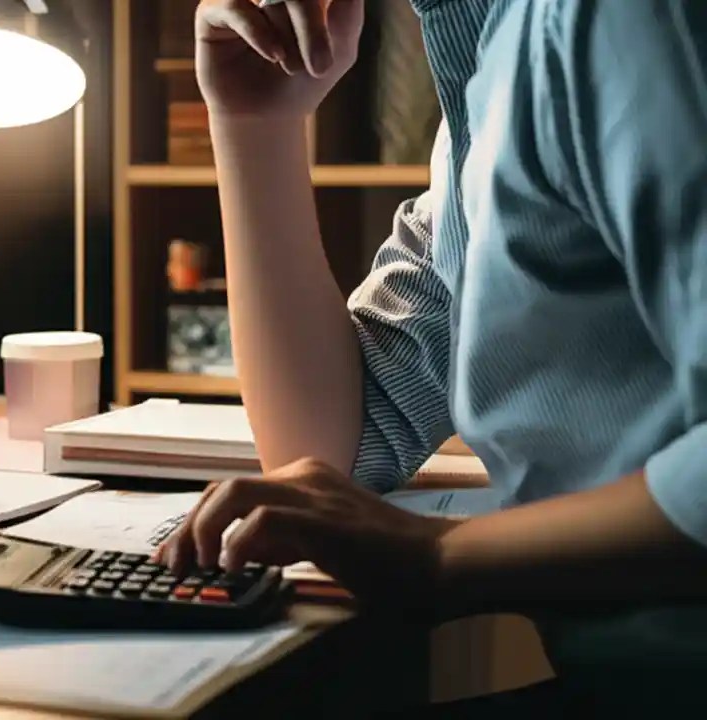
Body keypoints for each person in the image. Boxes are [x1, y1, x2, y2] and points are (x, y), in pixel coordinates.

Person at [155, 0, 707, 711]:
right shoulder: (483, 86)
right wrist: (255, 124)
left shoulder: (614, 22)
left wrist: (440, 558)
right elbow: (335, 449)